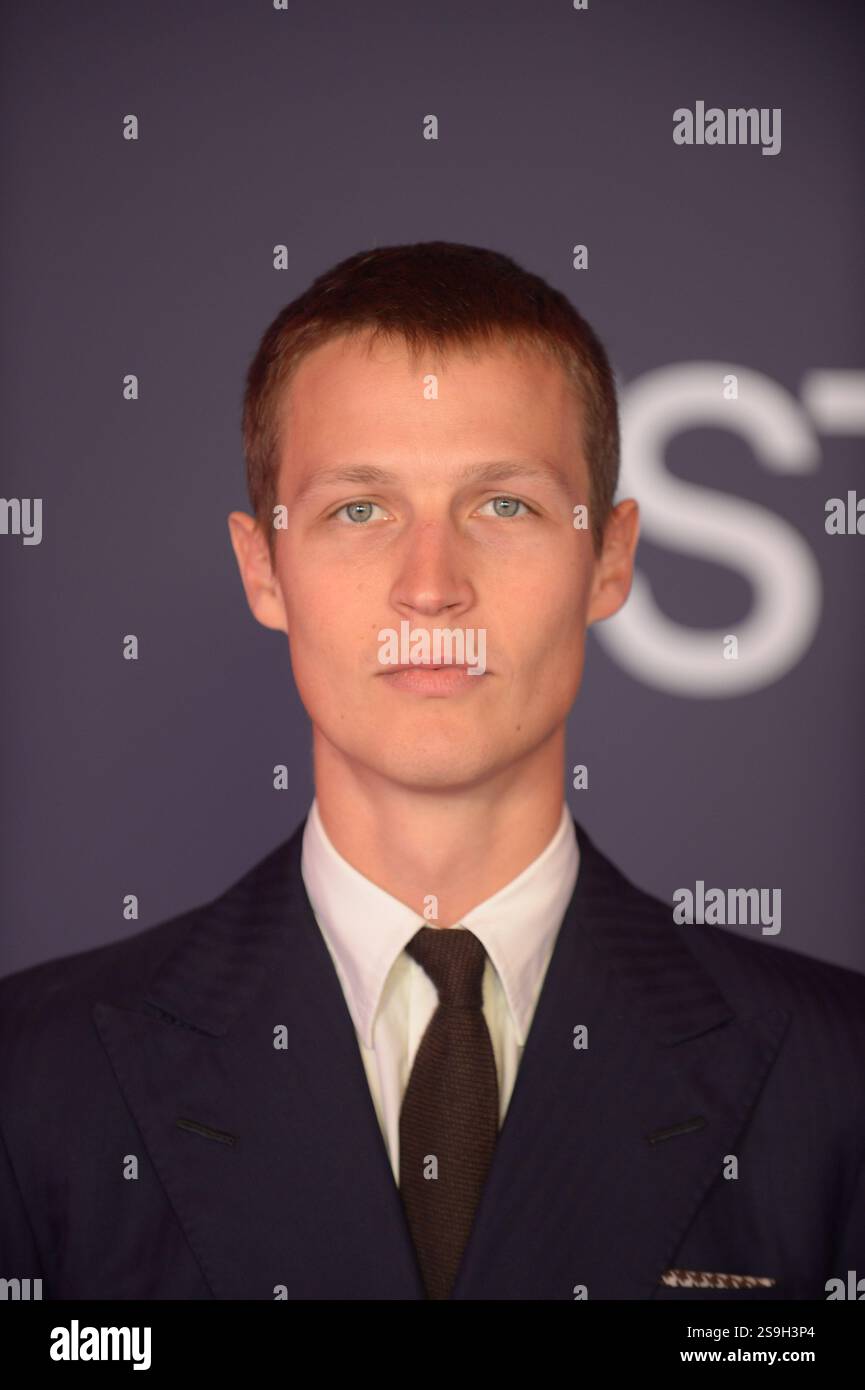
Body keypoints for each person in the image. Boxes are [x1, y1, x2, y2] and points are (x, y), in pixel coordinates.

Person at [1, 242, 863, 1301]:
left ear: (610, 558)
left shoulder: (838, 1081)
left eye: (503, 505)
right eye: (358, 510)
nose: (431, 588)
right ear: (262, 569)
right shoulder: (32, 1083)